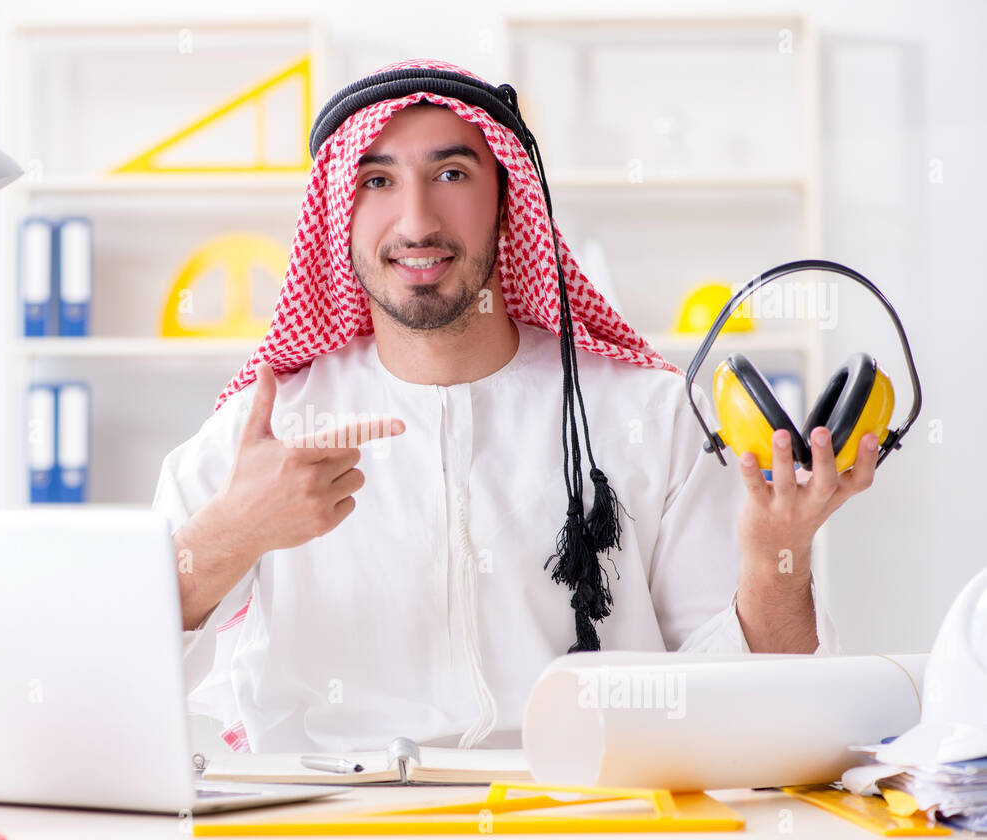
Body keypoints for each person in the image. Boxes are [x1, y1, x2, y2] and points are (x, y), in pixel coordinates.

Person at [152, 59, 880, 754]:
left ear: (507, 204)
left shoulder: (650, 418)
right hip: (328, 828)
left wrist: (775, 559)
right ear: (337, 210)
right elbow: (117, 679)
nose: (416, 220)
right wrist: (227, 537)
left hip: (592, 819)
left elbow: (758, 712)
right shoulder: (263, 430)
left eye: (451, 173)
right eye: (378, 179)